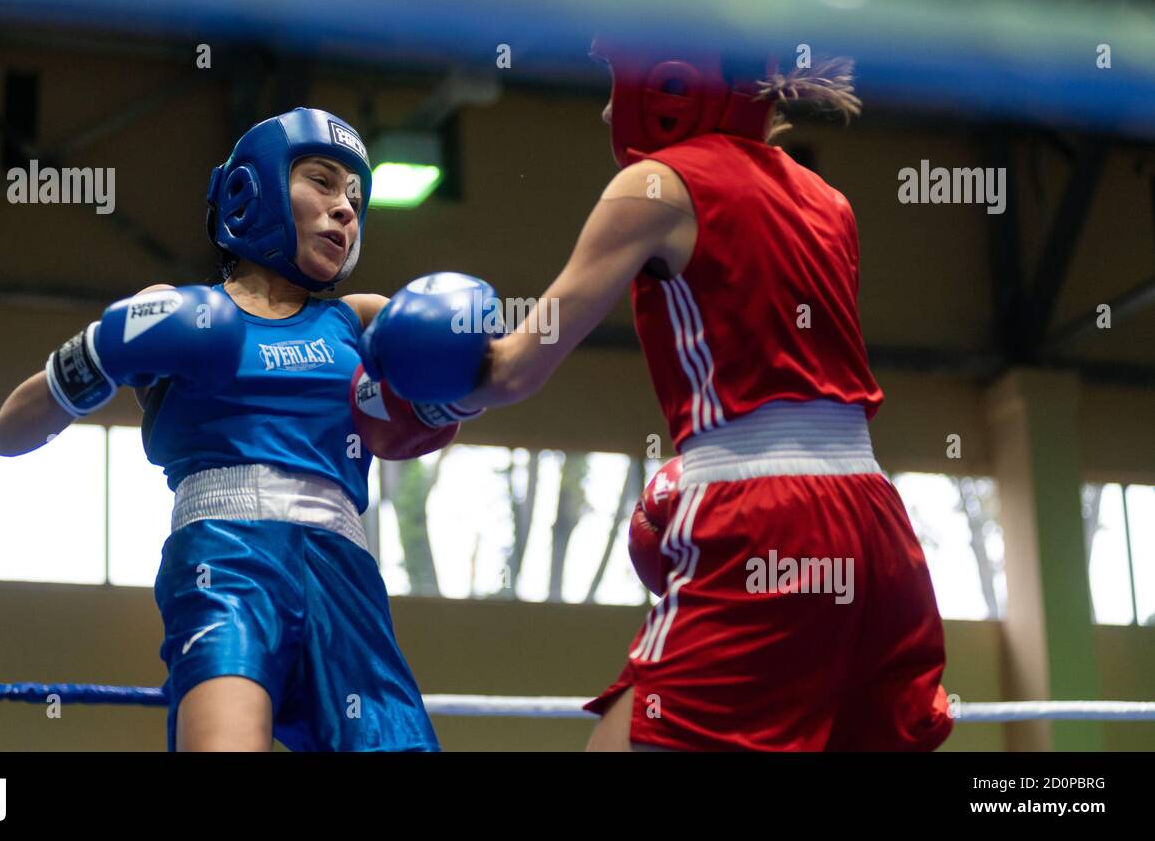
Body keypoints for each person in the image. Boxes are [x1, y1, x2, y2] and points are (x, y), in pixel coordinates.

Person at [362, 40, 955, 752]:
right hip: (877, 524)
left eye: (620, 85)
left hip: (762, 512)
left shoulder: (656, 186)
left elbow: (518, 366)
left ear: (672, 84)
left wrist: (424, 389)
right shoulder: (830, 200)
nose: (612, 106)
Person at [0, 108, 460, 751]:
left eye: (354, 196)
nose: (345, 209)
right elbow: (7, 432)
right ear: (255, 186)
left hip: (346, 578)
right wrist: (101, 351)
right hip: (226, 561)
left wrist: (456, 379)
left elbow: (467, 394)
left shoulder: (363, 322)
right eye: (322, 181)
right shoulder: (179, 312)